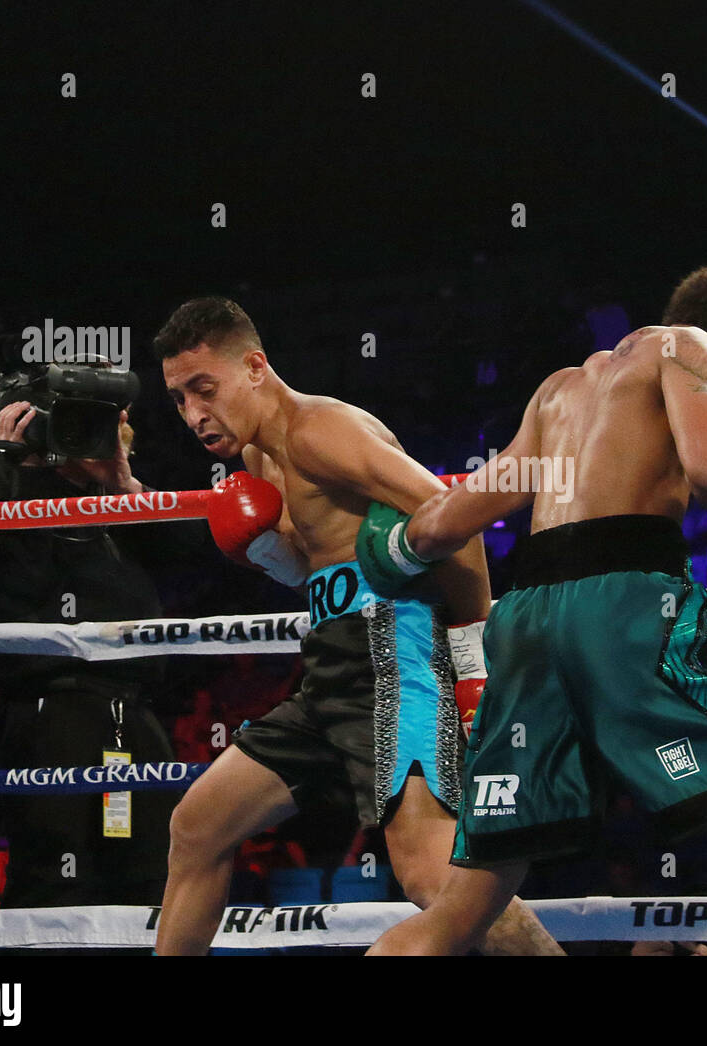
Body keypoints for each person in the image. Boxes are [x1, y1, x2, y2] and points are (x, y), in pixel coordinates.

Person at [361, 260, 707, 955]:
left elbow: (445, 523)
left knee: (464, 907)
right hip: (629, 606)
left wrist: (393, 549)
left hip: (528, 621)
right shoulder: (688, 347)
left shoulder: (559, 392)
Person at [150, 297, 560, 955]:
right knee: (198, 826)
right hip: (329, 668)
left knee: (434, 877)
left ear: (255, 367)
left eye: (205, 389)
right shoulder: (258, 459)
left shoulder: (320, 432)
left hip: (394, 655)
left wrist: (476, 665)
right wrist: (261, 549)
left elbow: (454, 521)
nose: (195, 415)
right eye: (177, 399)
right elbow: (314, 572)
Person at [0, 399, 188, 953]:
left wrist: (119, 482)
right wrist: (11, 466)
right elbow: (8, 586)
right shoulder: (9, 491)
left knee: (148, 881)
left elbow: (191, 557)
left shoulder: (114, 507)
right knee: (57, 880)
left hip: (135, 717)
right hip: (57, 714)